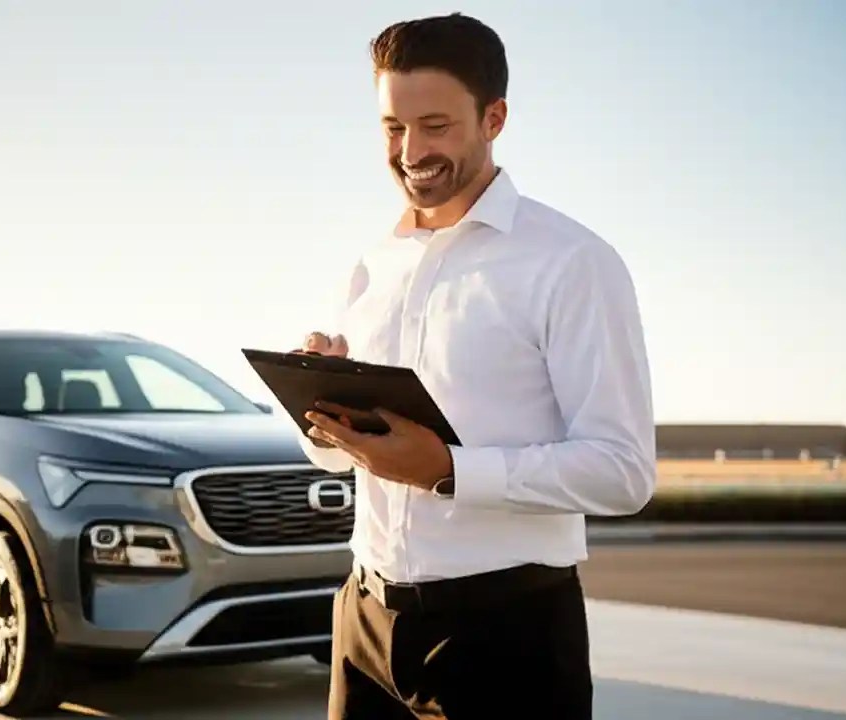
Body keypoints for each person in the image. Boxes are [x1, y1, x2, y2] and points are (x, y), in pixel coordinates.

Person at [297, 13, 656, 719]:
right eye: (392, 128)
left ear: (494, 118)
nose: (410, 152)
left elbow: (623, 471)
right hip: (363, 623)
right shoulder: (374, 265)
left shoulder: (573, 263)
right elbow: (344, 462)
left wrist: (446, 470)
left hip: (506, 636)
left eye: (436, 126)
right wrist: (322, 413)